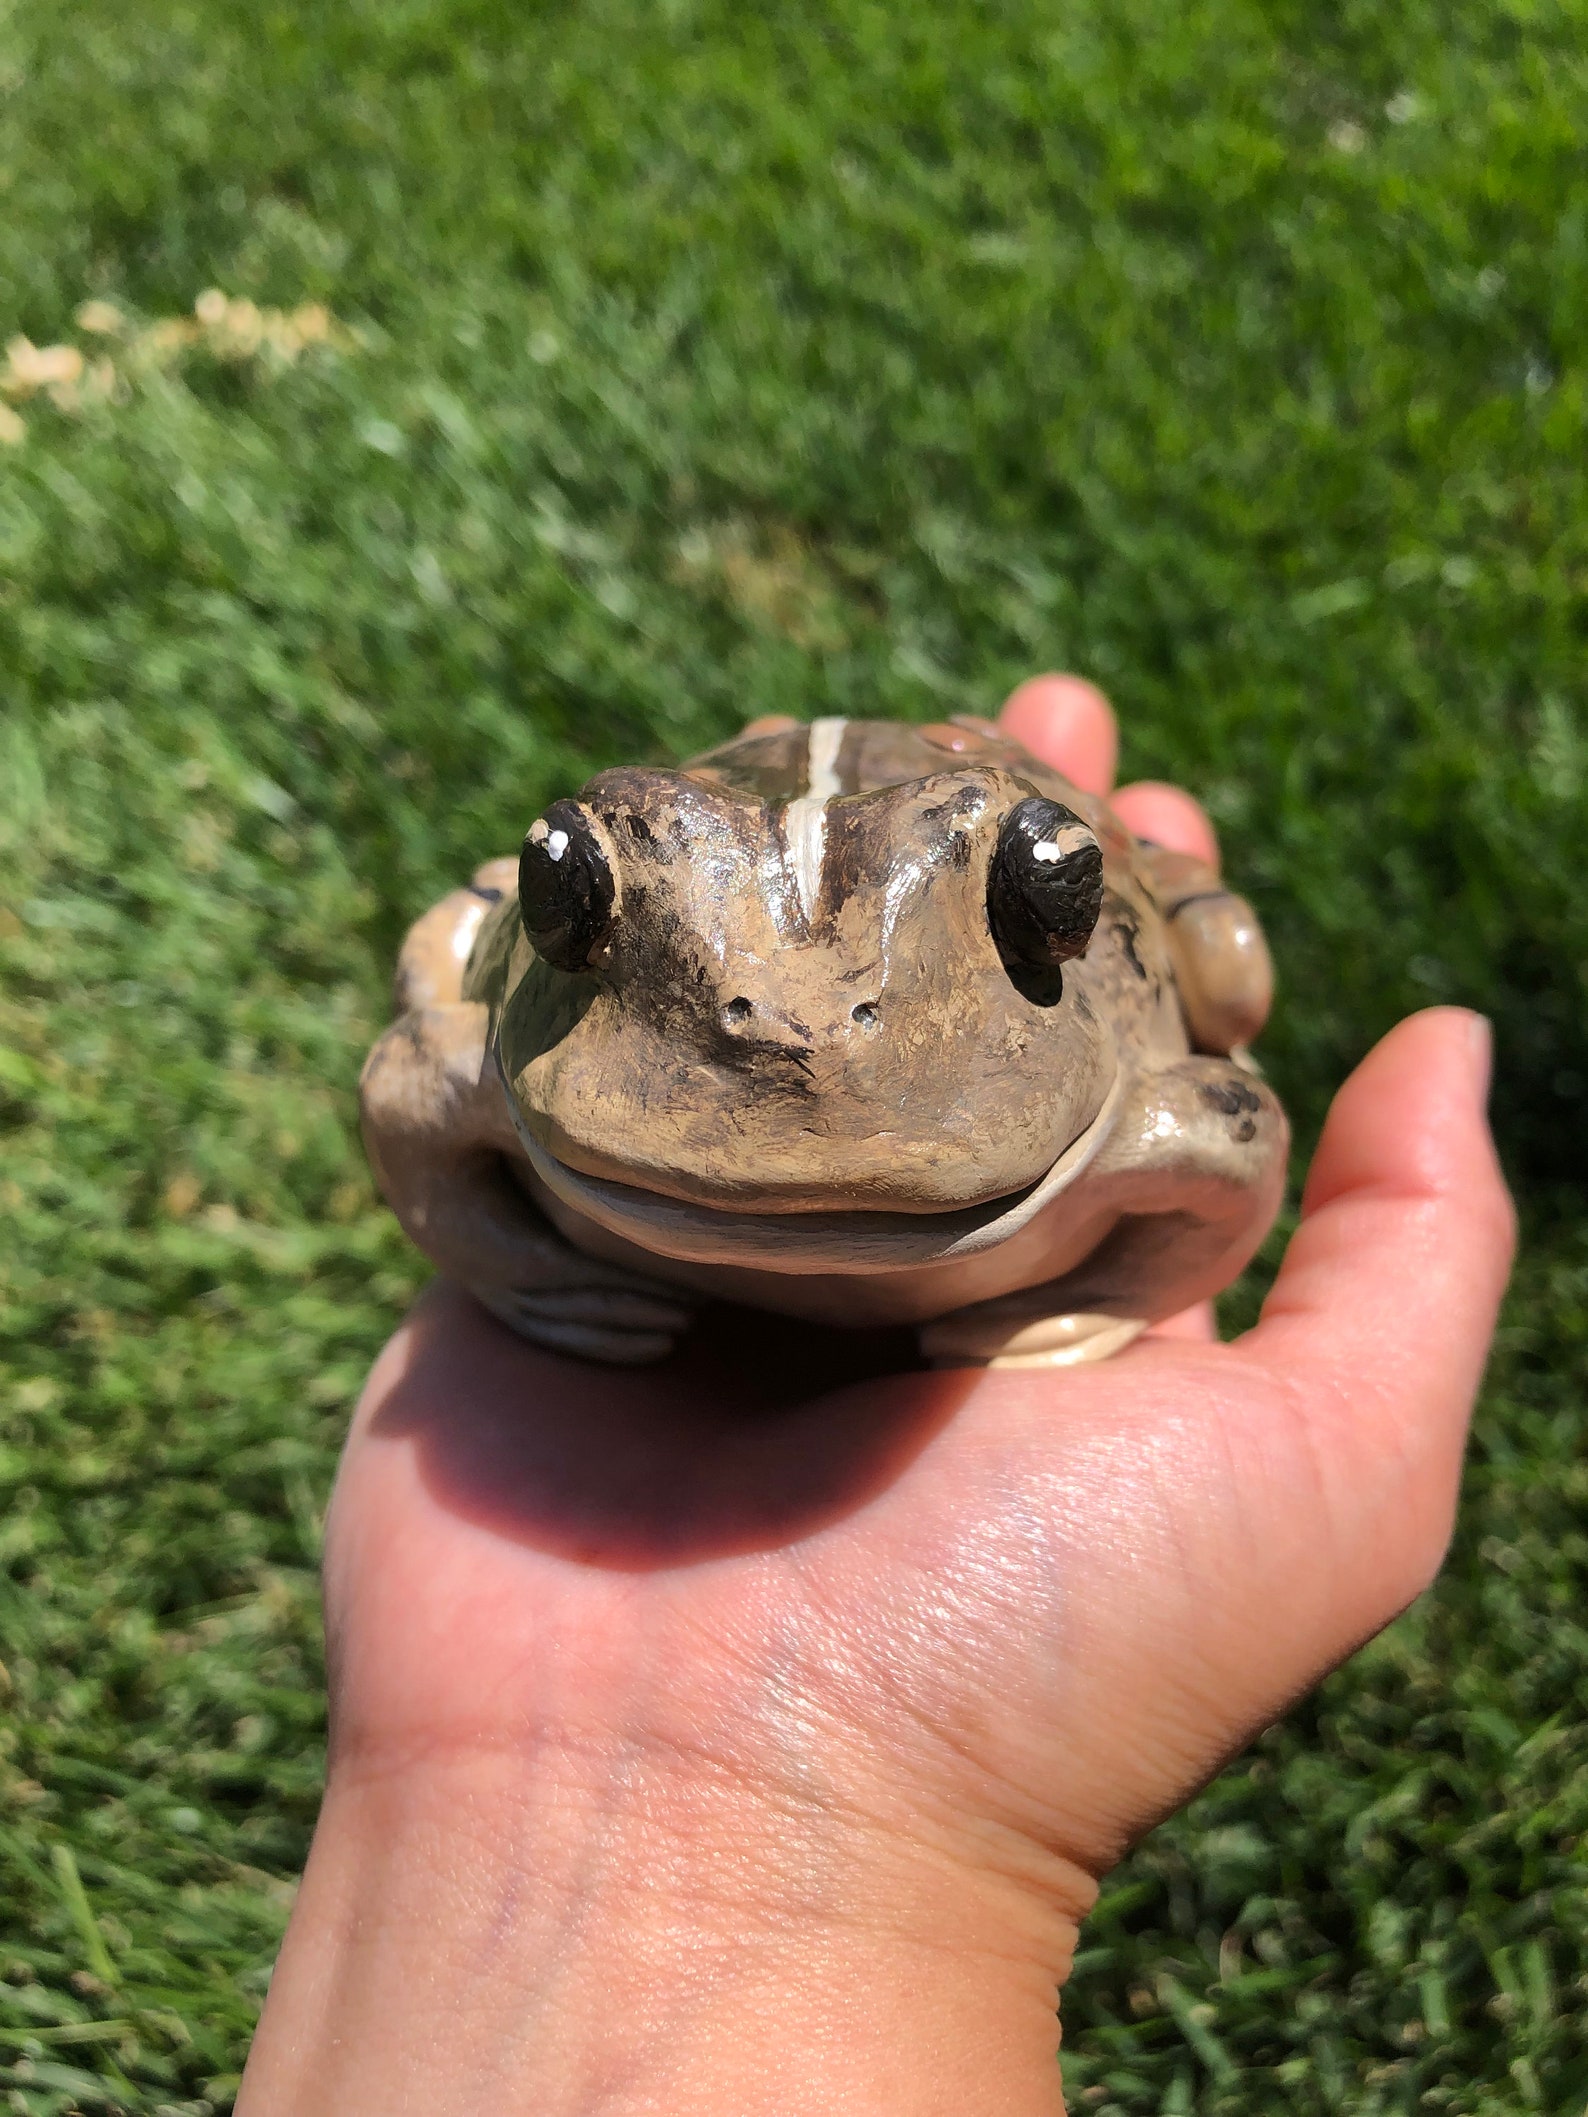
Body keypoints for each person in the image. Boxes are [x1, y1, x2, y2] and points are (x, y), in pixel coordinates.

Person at [235, 676, 1515, 2116]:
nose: (794, 1047)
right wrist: (504, 1256)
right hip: (657, 1055)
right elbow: (420, 1083)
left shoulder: (1123, 1101)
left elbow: (1225, 1137)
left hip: (975, 1025)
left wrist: (1095, 1290)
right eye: (570, 894)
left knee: (1215, 968)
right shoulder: (512, 1050)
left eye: (1049, 900)